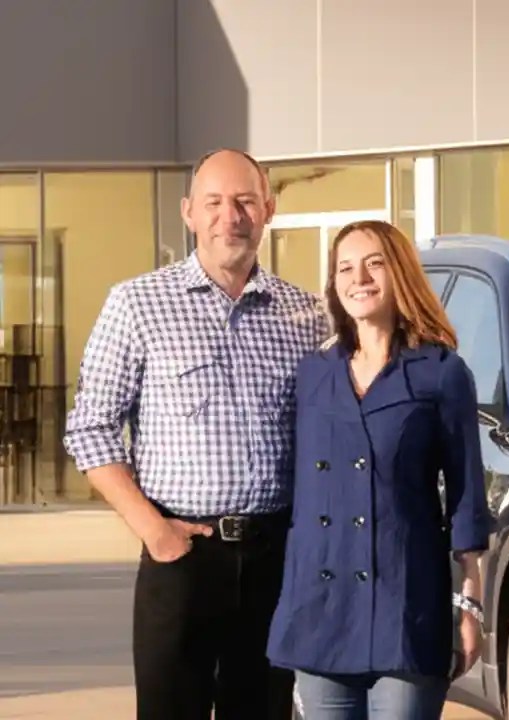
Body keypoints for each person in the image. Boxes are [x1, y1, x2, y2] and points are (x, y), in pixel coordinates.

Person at [63, 148, 331, 720]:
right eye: (213, 202)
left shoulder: (307, 317)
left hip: (273, 561)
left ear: (268, 210)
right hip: (179, 561)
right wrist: (153, 531)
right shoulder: (137, 305)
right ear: (188, 212)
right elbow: (90, 427)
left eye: (243, 202)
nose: (229, 216)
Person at [266, 220, 490, 719]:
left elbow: (466, 498)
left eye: (374, 263)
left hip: (405, 605)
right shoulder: (313, 374)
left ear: (401, 274)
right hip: (320, 607)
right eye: (345, 267)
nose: (358, 278)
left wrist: (470, 604)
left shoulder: (440, 371)